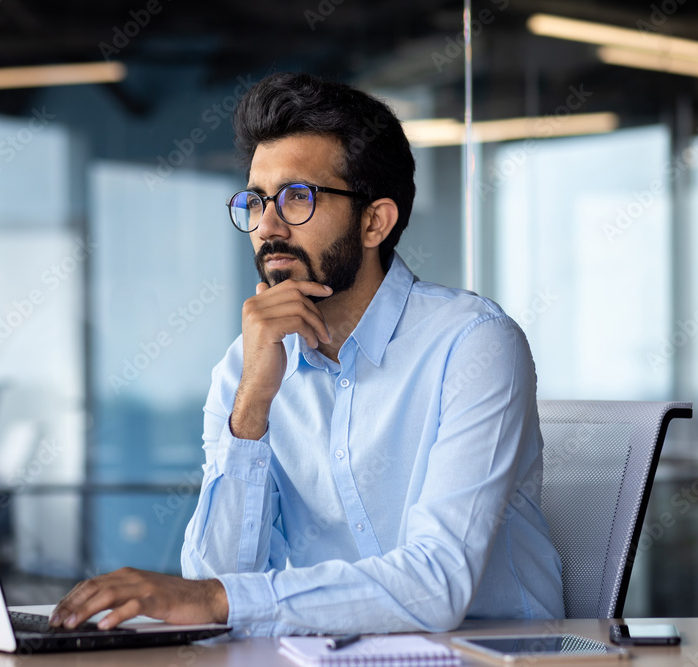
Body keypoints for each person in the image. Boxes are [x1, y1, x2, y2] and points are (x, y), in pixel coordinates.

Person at [50, 72, 564, 636]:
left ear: (374, 221)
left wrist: (217, 600)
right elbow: (216, 578)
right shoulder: (245, 367)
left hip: (485, 655)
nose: (266, 226)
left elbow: (435, 584)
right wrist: (252, 408)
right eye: (256, 200)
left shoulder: (473, 344)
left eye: (298, 197)